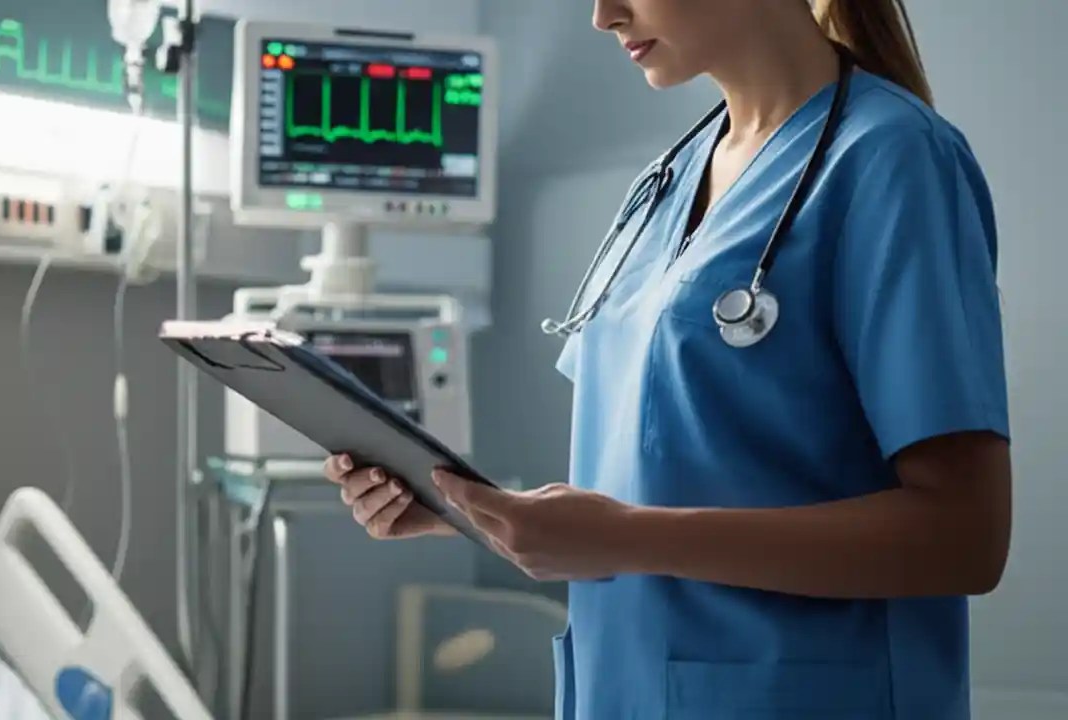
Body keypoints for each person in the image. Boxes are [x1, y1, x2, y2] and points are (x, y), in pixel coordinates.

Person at [324, 0, 1013, 717]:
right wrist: (477, 514)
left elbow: (964, 537)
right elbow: (661, 474)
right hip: (623, 689)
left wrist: (623, 537)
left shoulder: (894, 158)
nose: (603, 16)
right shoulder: (666, 180)